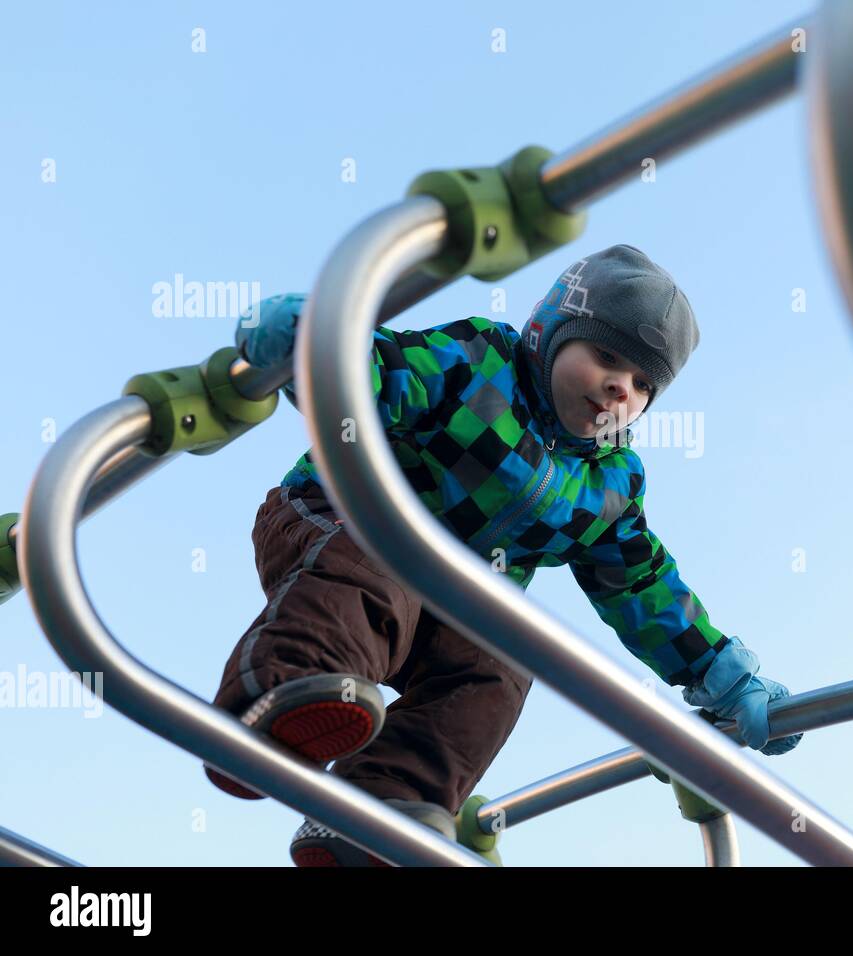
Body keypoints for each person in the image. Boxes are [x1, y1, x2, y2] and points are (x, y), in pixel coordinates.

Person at [204, 244, 802, 866]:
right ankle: (277, 693)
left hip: (449, 604)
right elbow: (383, 371)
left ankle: (383, 806)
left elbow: (642, 588)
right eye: (606, 355)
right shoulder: (480, 362)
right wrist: (312, 343)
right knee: (381, 568)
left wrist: (721, 677)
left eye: (643, 383)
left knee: (503, 663)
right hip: (338, 519)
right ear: (550, 333)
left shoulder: (611, 484)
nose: (619, 387)